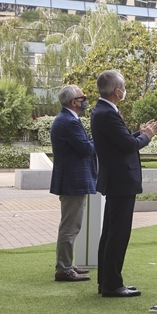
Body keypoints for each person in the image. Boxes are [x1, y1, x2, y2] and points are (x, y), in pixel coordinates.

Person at [91, 70, 157, 298]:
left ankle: (108, 281)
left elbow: (121, 141)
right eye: (124, 86)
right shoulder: (106, 113)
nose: (125, 90)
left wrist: (139, 133)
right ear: (117, 91)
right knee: (117, 234)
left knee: (110, 232)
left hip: (116, 180)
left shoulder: (103, 111)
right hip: (120, 181)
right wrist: (147, 136)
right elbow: (129, 146)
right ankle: (112, 284)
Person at [50, 85, 97, 282]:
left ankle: (66, 265)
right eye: (82, 97)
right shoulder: (69, 122)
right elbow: (86, 149)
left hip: (71, 179)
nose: (85, 100)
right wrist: (103, 138)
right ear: (73, 102)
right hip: (73, 180)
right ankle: (64, 269)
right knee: (70, 226)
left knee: (70, 225)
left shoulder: (67, 120)